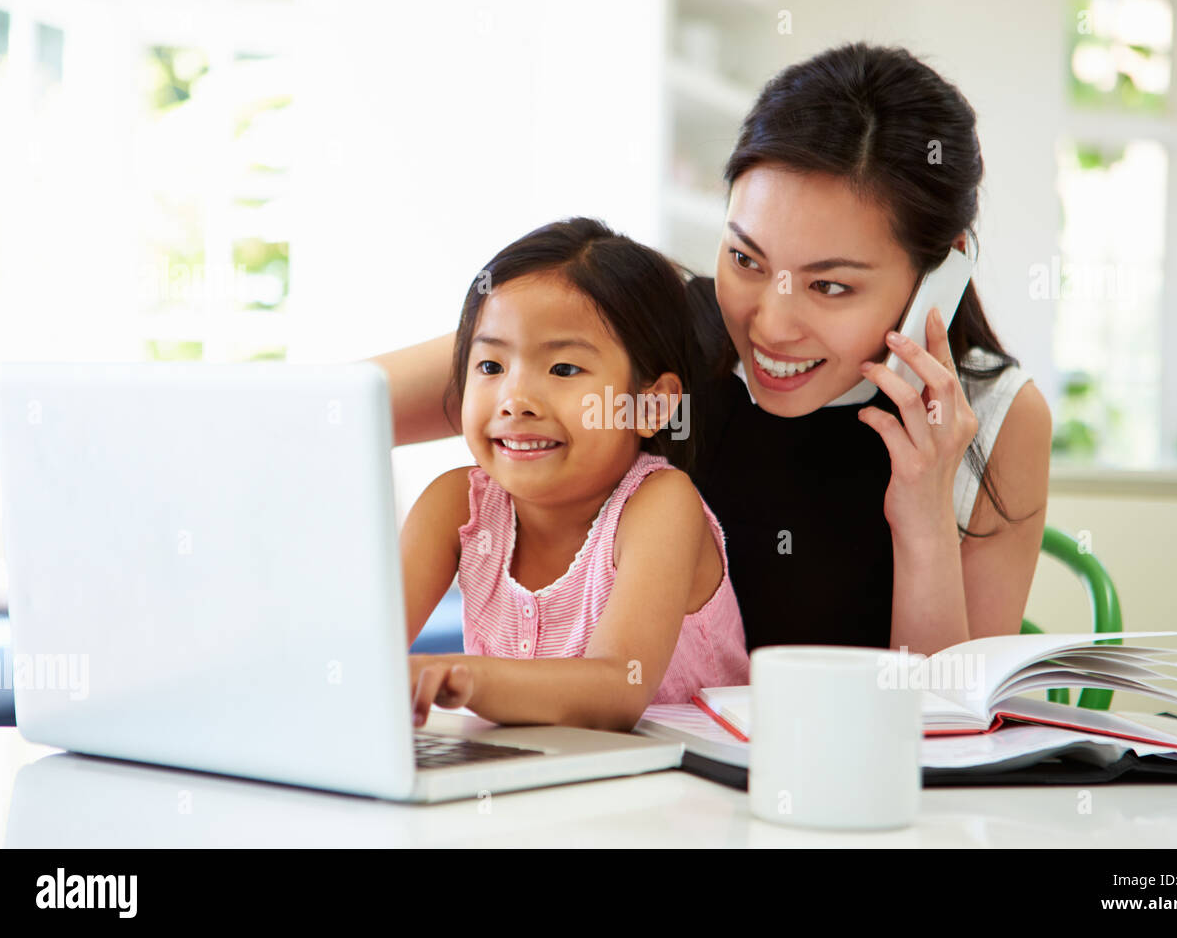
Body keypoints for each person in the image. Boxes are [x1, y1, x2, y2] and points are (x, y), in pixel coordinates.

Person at [372, 42, 1052, 662]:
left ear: (942, 275)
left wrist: (925, 516)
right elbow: (332, 411)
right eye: (745, 259)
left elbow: (945, 729)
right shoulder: (651, 331)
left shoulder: (997, 418)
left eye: (831, 285)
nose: (771, 325)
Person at [401, 217, 749, 732]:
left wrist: (465, 677)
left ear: (651, 406)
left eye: (563, 370)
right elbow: (359, 651)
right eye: (491, 366)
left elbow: (617, 690)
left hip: (686, 791)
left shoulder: (659, 504)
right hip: (535, 782)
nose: (516, 401)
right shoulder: (455, 505)